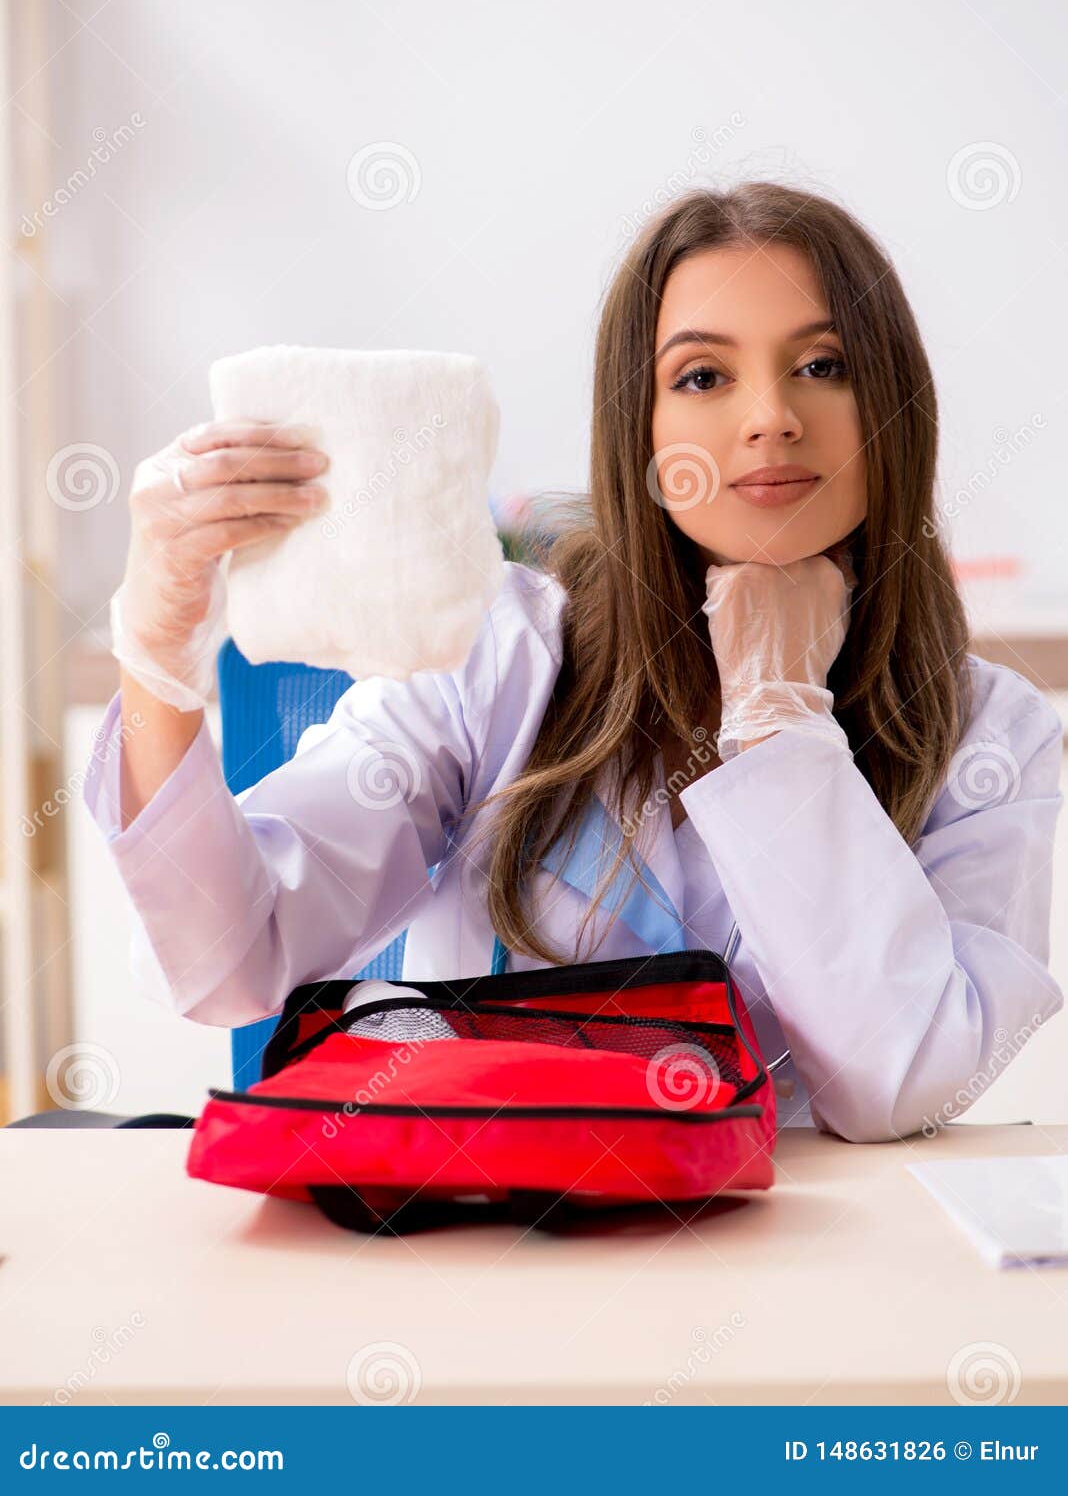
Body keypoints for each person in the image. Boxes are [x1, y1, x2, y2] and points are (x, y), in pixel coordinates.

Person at [83, 182, 1064, 1143]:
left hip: (808, 1268)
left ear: (895, 403)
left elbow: (901, 1087)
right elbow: (226, 961)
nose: (770, 416)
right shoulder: (501, 649)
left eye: (823, 364)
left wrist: (781, 716)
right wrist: (155, 656)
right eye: (703, 377)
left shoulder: (996, 734)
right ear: (637, 427)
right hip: (503, 1254)